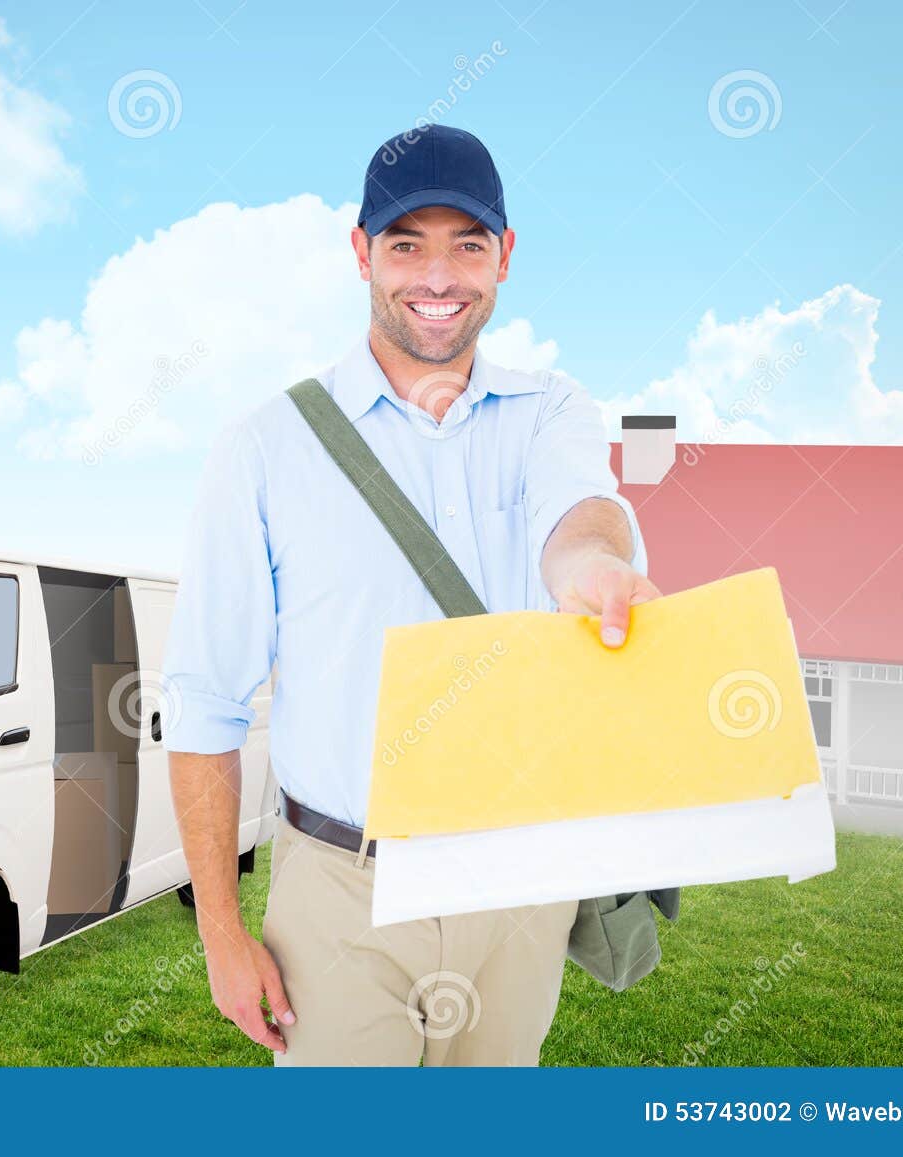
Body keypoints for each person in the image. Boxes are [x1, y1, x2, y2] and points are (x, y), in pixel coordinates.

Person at [162, 124, 660, 1066]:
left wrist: (591, 570)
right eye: (407, 245)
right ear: (361, 254)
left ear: (506, 257)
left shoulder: (551, 411)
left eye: (467, 245)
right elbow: (203, 701)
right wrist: (221, 934)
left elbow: (581, 514)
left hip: (519, 884)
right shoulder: (268, 445)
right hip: (344, 887)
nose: (438, 277)